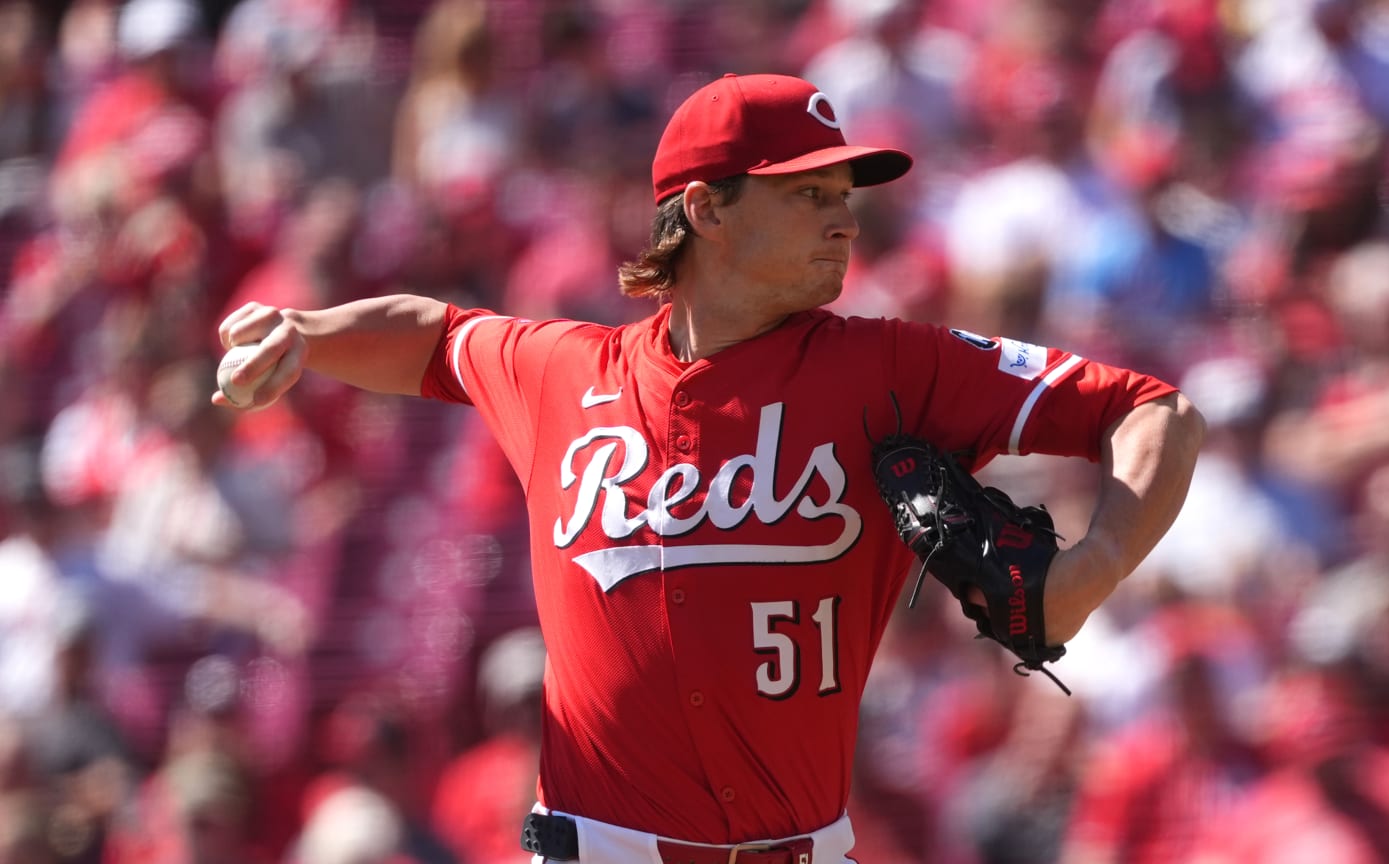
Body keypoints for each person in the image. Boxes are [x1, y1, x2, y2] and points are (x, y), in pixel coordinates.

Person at [212, 73, 1205, 863]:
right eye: (809, 193)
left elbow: (1152, 410)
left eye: (845, 195)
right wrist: (306, 329)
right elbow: (439, 335)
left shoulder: (897, 366)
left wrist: (1091, 569)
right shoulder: (563, 371)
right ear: (706, 209)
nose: (845, 219)